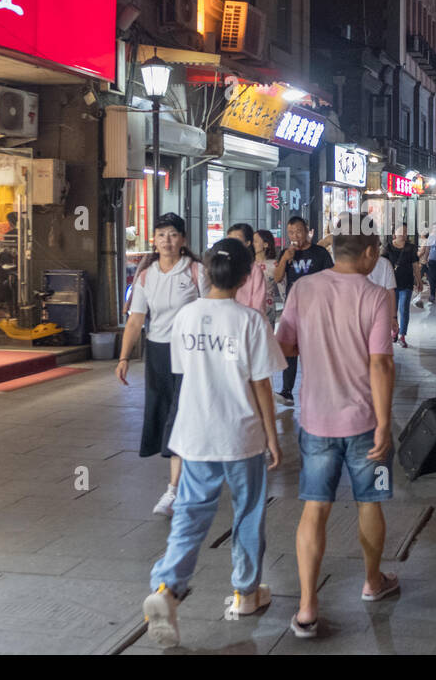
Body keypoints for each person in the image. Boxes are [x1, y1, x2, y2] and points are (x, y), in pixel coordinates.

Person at [141, 237, 286, 648]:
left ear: (206, 273)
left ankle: (168, 588)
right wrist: (273, 438)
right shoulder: (251, 321)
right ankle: (244, 593)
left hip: (195, 434)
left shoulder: (186, 317)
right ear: (246, 276)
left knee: (189, 516)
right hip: (241, 436)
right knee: (248, 515)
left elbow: (185, 372)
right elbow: (261, 386)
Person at [275, 225, 397, 638]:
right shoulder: (376, 297)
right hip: (364, 421)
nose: (378, 255)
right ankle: (373, 581)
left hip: (316, 419)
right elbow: (381, 363)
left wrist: (315, 343)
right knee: (369, 503)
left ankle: (307, 608)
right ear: (366, 254)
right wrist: (384, 422)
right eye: (377, 248)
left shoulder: (303, 290)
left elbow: (284, 346)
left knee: (315, 507)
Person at [118, 213, 208, 517]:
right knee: (166, 414)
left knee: (178, 418)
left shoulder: (196, 271)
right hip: (157, 353)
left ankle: (174, 490)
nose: (167, 240)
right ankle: (186, 480)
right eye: (161, 235)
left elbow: (212, 311)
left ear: (183, 239)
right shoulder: (146, 275)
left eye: (173, 234)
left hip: (191, 354)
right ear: (153, 240)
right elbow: (136, 319)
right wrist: (124, 357)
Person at [272, 216, 333, 405]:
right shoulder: (286, 253)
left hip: (315, 309)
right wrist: (284, 259)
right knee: (289, 352)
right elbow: (277, 277)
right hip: (293, 309)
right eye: (291, 232)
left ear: (307, 231)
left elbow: (331, 278)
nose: (295, 235)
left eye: (298, 231)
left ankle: (315, 390)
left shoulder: (320, 252)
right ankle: (287, 391)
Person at [382, 225, 421, 347]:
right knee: (392, 310)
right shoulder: (387, 247)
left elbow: (415, 265)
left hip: (407, 282)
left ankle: (402, 335)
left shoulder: (411, 248)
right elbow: (381, 265)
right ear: (395, 233)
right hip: (391, 285)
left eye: (405, 231)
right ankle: (394, 332)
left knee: (403, 309)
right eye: (401, 231)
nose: (404, 233)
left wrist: (419, 280)